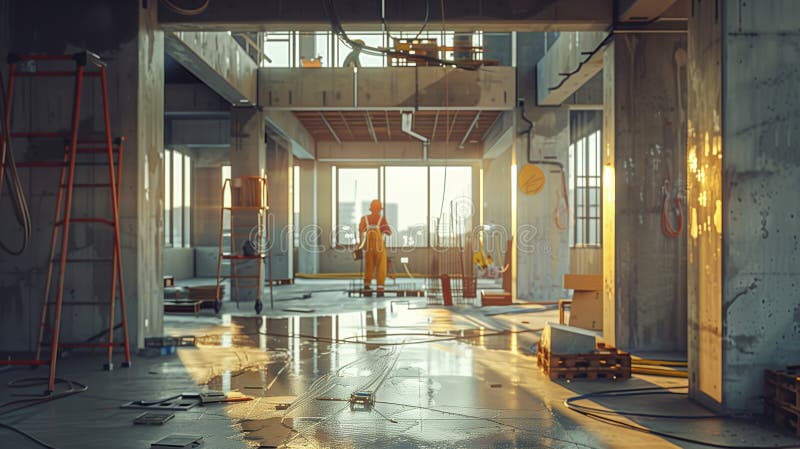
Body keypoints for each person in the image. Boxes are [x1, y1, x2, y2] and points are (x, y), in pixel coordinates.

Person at [358, 199, 392, 295]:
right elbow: (389, 233)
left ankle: (367, 286)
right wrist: (382, 230)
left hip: (368, 248)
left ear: (371, 209)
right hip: (379, 248)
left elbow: (360, 231)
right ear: (379, 209)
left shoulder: (364, 219)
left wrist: (359, 245)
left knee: (369, 266)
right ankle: (380, 288)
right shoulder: (382, 219)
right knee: (381, 266)